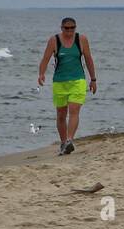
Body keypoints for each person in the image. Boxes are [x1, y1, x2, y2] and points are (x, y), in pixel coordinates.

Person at [36, 17, 97, 155]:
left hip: (78, 80)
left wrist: (93, 79)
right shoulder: (54, 41)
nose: (69, 31)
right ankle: (64, 143)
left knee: (74, 110)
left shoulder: (81, 40)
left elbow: (88, 59)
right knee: (61, 114)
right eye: (66, 28)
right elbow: (45, 59)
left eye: (72, 28)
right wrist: (41, 74)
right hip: (60, 82)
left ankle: (70, 140)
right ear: (61, 28)